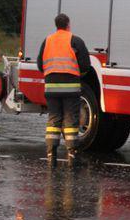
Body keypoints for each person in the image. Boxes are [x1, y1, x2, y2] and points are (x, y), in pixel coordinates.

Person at [37, 13, 91, 164]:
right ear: (68, 24)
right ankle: (72, 155)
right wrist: (78, 74)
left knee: (53, 119)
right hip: (71, 87)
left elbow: (40, 65)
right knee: (70, 120)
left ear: (56, 25)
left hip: (51, 87)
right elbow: (86, 65)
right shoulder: (75, 40)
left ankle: (50, 155)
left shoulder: (47, 41)